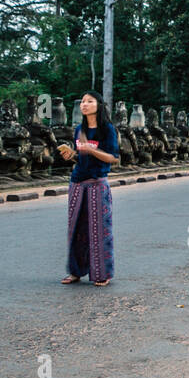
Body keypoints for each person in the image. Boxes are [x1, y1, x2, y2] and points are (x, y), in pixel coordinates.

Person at [57, 91, 119, 286]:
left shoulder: (107, 130)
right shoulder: (79, 130)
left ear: (99, 105)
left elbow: (113, 158)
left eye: (89, 101)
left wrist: (92, 149)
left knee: (99, 229)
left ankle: (102, 274)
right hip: (77, 182)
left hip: (97, 183)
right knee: (76, 229)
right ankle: (76, 271)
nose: (84, 104)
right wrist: (72, 156)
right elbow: (81, 156)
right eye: (82, 101)